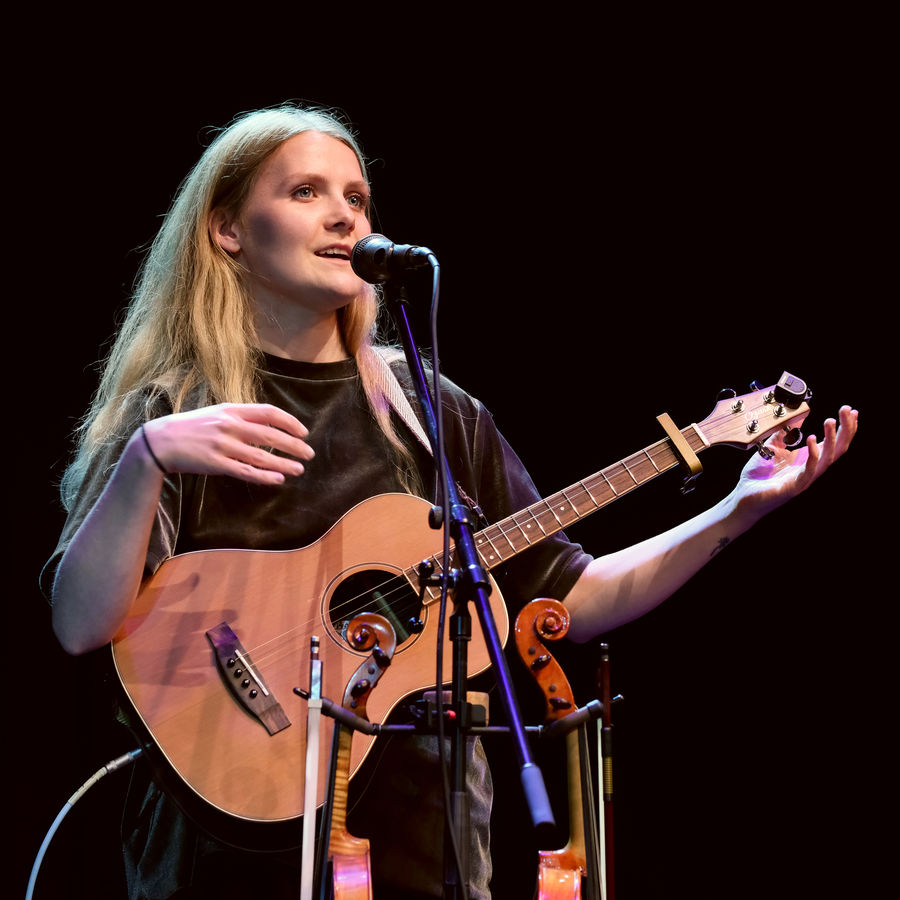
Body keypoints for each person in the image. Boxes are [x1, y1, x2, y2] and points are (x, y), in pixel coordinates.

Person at [42, 102, 858, 900]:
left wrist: (734, 511)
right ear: (227, 229)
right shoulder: (171, 414)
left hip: (423, 833)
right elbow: (81, 623)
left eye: (355, 198)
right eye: (305, 193)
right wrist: (146, 461)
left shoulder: (433, 413)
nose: (343, 218)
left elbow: (570, 595)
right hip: (218, 837)